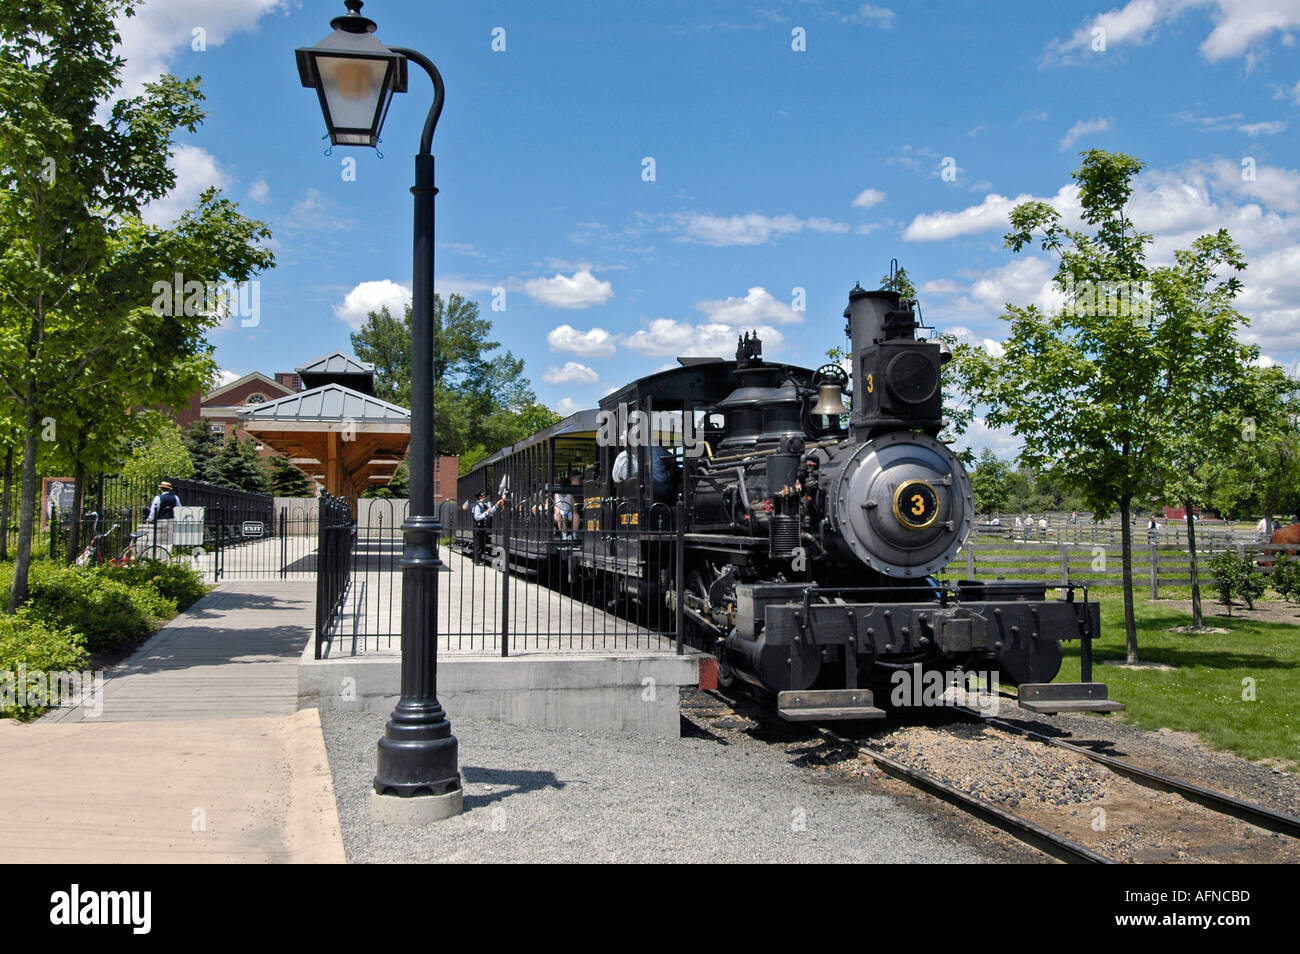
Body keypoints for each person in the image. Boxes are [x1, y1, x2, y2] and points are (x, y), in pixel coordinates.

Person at [471, 490, 503, 566]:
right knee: (478, 544)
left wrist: (497, 505)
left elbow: (491, 511)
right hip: (477, 527)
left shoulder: (485, 505)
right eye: (484, 496)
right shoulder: (477, 506)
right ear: (480, 497)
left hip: (483, 527)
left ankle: (476, 559)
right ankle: (477, 561)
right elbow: (477, 517)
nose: (485, 497)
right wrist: (486, 513)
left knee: (481, 544)